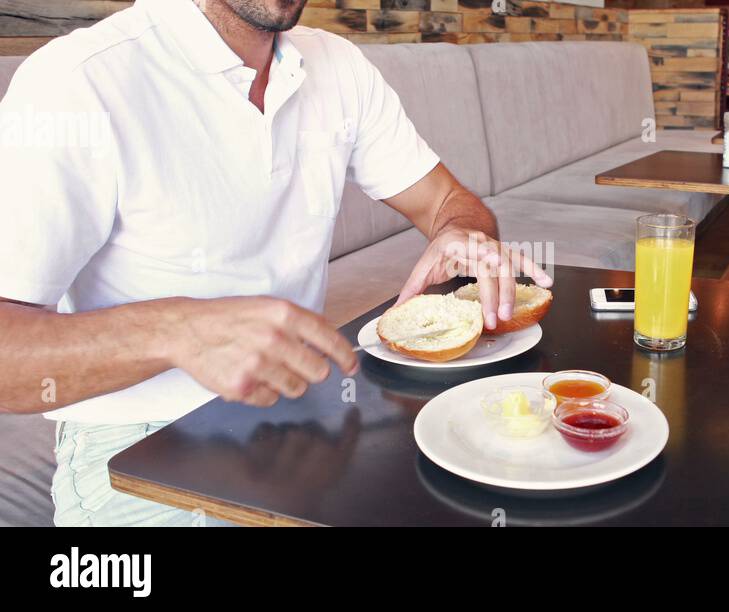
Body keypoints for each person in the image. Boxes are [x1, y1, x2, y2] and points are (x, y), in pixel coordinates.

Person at [0, 0, 551, 526]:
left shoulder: (337, 65)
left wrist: (461, 234)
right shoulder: (76, 80)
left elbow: (447, 202)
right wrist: (178, 331)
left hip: (303, 410)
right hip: (137, 440)